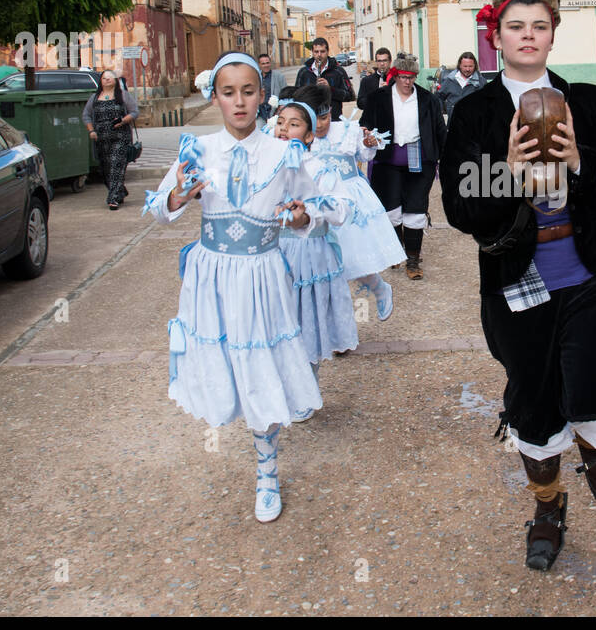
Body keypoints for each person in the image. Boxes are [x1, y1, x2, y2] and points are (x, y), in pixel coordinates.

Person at [439, 0, 596, 572]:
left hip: (592, 270)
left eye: (539, 26)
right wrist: (504, 168)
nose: (528, 36)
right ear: (496, 37)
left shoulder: (592, 102)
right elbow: (459, 209)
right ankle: (548, 506)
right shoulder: (474, 112)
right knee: (534, 398)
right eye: (515, 27)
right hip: (516, 279)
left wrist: (578, 159)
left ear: (554, 34)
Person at [142, 51, 322, 523]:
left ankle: (267, 469)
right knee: (226, 364)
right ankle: (250, 440)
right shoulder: (197, 150)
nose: (239, 102)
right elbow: (161, 208)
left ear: (261, 95)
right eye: (228, 93)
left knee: (262, 362)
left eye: (247, 91)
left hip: (262, 275)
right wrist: (180, 194)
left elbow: (322, 203)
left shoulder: (287, 153)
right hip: (212, 277)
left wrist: (304, 216)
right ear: (215, 98)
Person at [273, 84, 359, 382]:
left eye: (294, 125)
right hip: (273, 254)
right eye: (280, 122)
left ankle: (307, 381)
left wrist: (312, 212)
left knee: (305, 316)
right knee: (277, 318)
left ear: (309, 136)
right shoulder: (265, 165)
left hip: (310, 254)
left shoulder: (320, 168)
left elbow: (342, 210)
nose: (284, 129)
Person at [304, 82, 402, 320]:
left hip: (349, 199)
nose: (321, 124)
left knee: (352, 259)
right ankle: (340, 326)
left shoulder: (346, 130)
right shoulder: (302, 137)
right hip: (320, 202)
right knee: (328, 265)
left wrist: (369, 144)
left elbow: (365, 153)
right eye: (315, 119)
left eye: (325, 117)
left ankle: (379, 287)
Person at [359, 52, 447, 280]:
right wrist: (366, 135)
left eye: (412, 77)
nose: (407, 82)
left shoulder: (428, 99)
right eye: (403, 77)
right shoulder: (379, 98)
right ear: (395, 75)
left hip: (420, 161)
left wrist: (445, 158)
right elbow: (364, 124)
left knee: (415, 210)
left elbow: (440, 131)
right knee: (392, 211)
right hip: (387, 162)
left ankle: (413, 260)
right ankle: (397, 249)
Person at [83, 69, 140, 210]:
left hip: (121, 137)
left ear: (115, 80)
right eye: (104, 78)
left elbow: (134, 112)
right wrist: (91, 130)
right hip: (101, 139)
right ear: (100, 82)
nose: (107, 80)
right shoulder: (94, 98)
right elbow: (86, 115)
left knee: (116, 166)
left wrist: (123, 120)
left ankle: (112, 198)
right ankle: (120, 191)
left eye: (110, 78)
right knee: (105, 170)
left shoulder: (123, 96)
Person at [298, 37, 355, 121]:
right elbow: (297, 97)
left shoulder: (338, 71)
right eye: (316, 52)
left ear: (327, 52)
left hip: (333, 119)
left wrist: (330, 89)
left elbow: (350, 96)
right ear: (312, 53)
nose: (319, 55)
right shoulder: (304, 72)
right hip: (310, 120)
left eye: (322, 51)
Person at [439, 50, 487, 116]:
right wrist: (439, 112)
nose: (467, 69)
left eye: (470, 66)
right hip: (454, 123)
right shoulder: (449, 80)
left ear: (475, 66)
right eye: (465, 66)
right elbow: (439, 97)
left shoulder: (481, 82)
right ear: (460, 65)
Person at [358, 47, 391, 113]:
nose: (382, 64)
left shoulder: (397, 80)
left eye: (385, 60)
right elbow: (360, 104)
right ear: (376, 62)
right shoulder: (366, 81)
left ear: (390, 61)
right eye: (379, 61)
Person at [256, 53, 276, 123]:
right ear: (259, 65)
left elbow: (285, 94)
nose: (266, 65)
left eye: (267, 63)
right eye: (263, 63)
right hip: (261, 113)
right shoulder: (256, 78)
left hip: (274, 113)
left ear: (270, 63)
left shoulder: (278, 76)